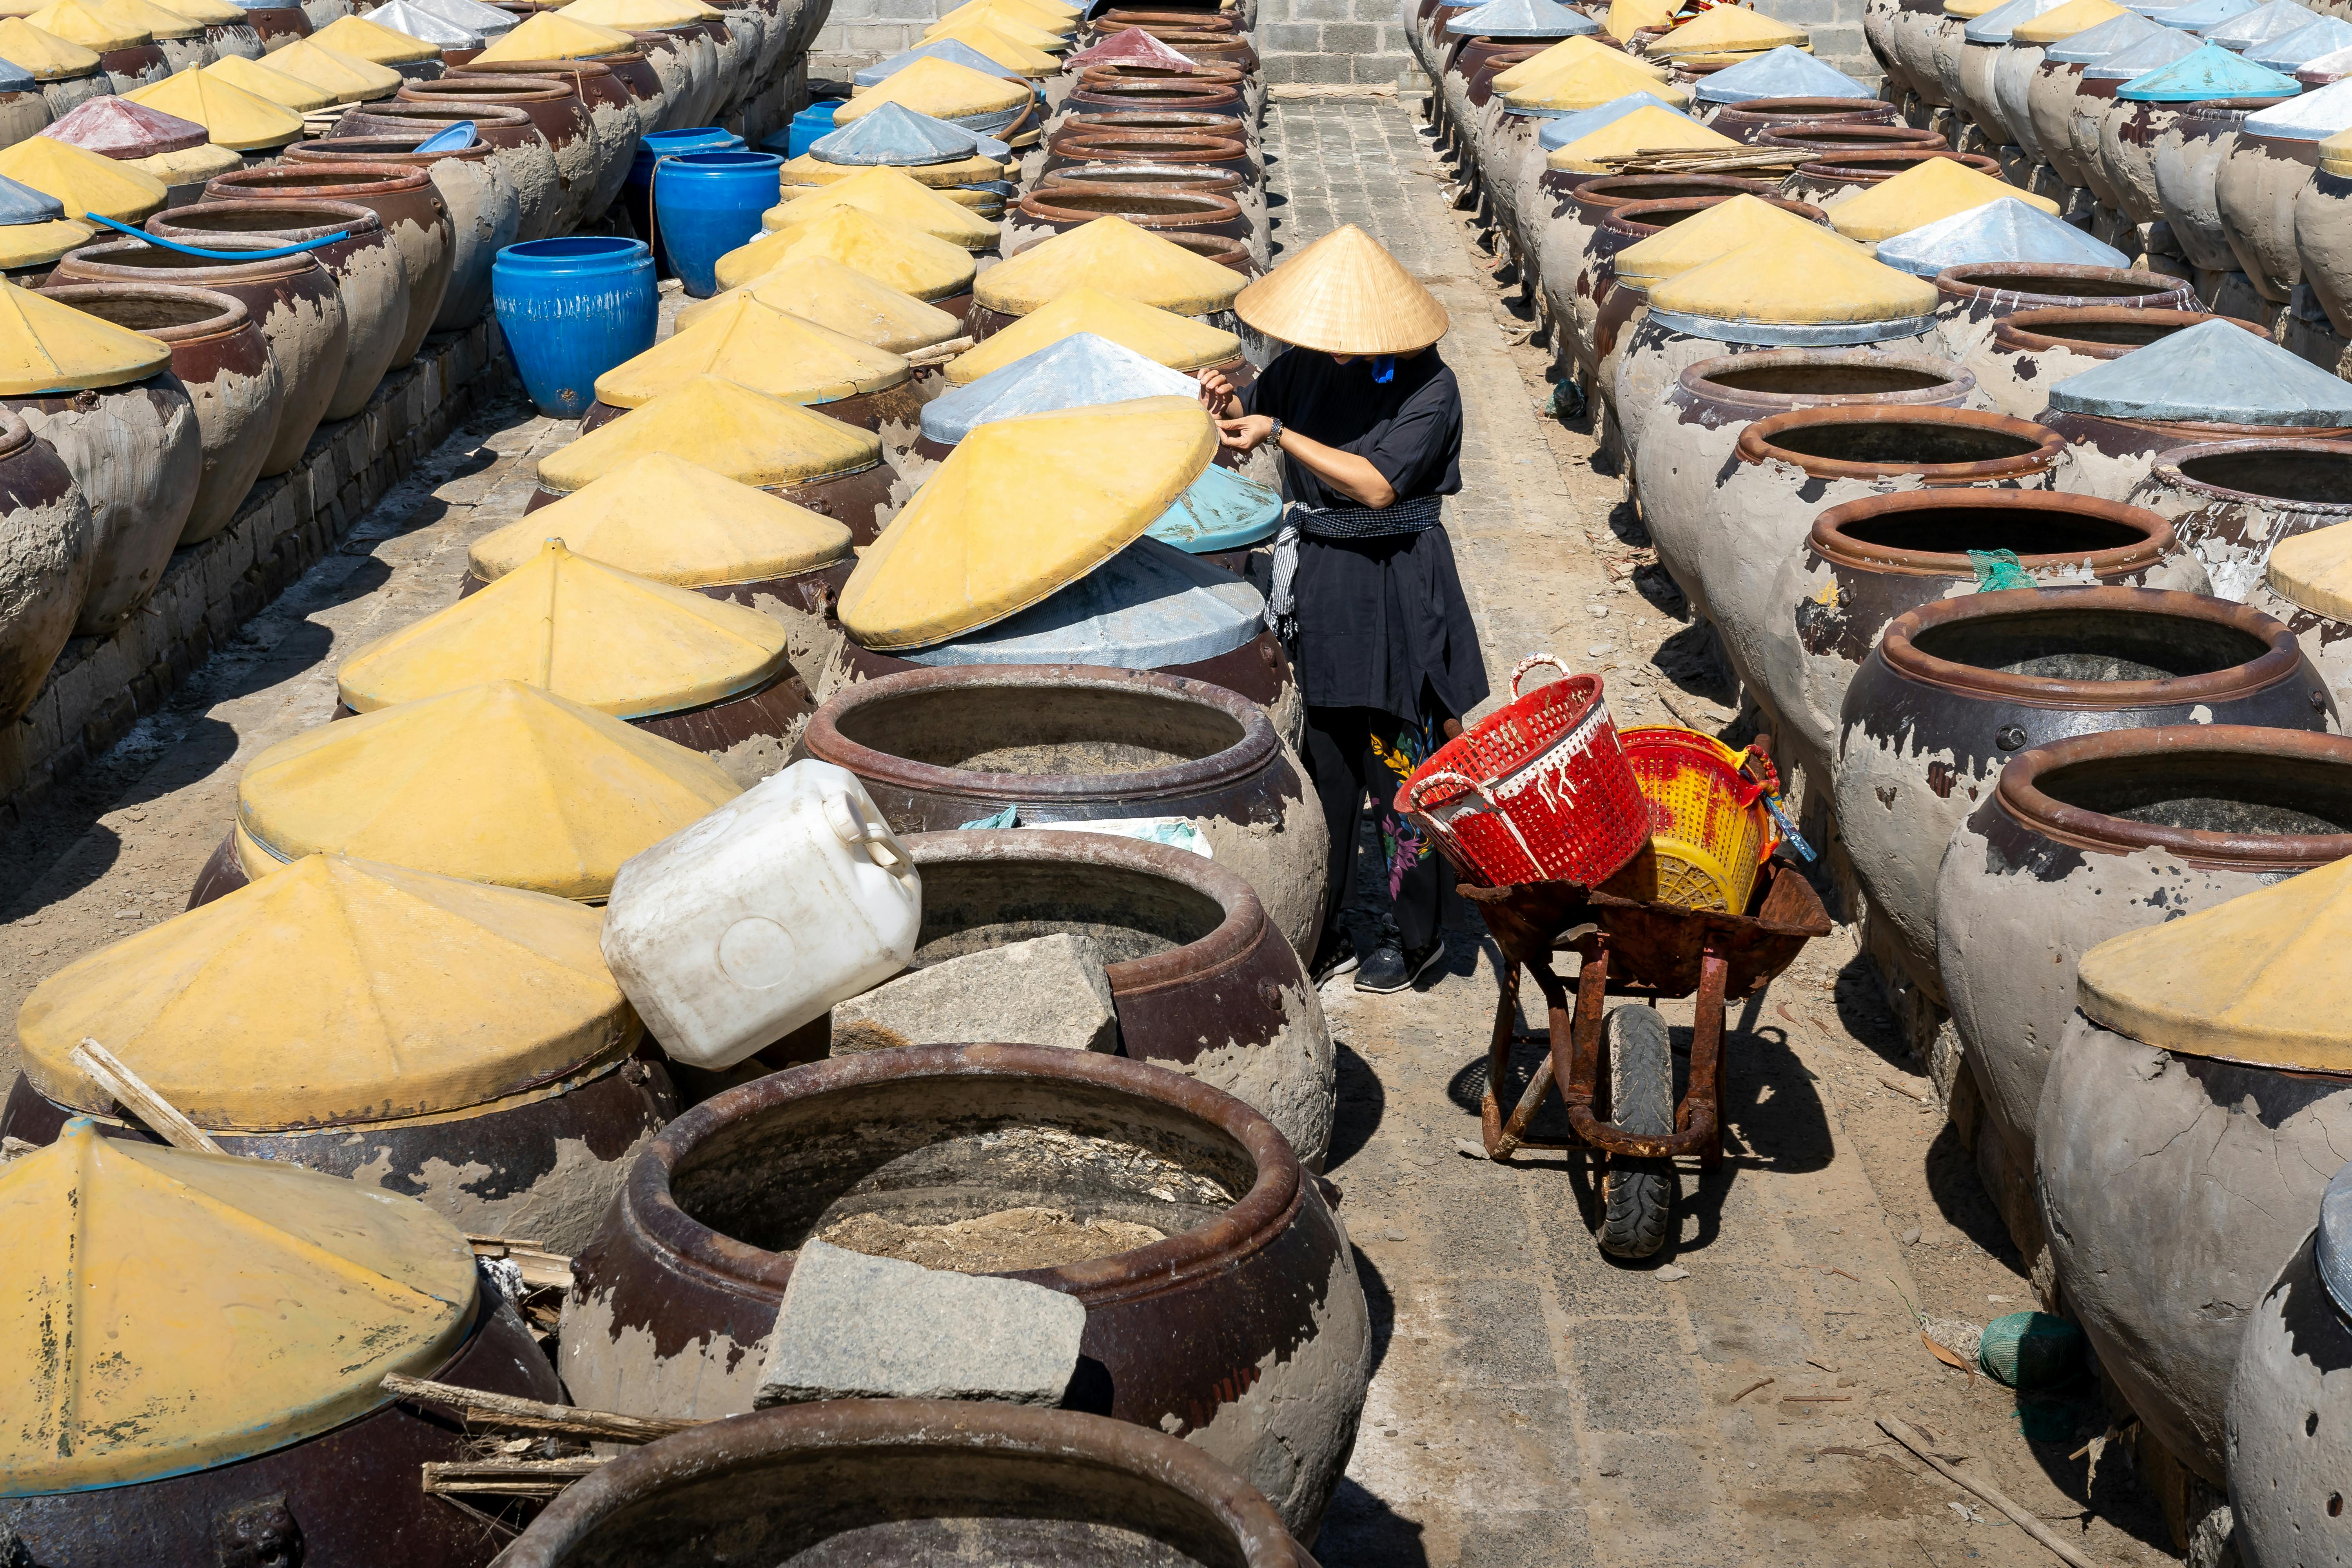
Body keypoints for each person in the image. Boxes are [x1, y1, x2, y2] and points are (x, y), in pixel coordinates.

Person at [1198, 224, 1489, 993]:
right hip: (1324, 585)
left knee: (1401, 768)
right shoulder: (1300, 369)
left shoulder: (1431, 387)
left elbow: (1377, 486)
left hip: (1397, 587)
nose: (1330, 348)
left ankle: (1408, 931)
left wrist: (1283, 433)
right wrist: (1226, 402)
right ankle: (1323, 925)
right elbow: (1243, 429)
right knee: (1323, 768)